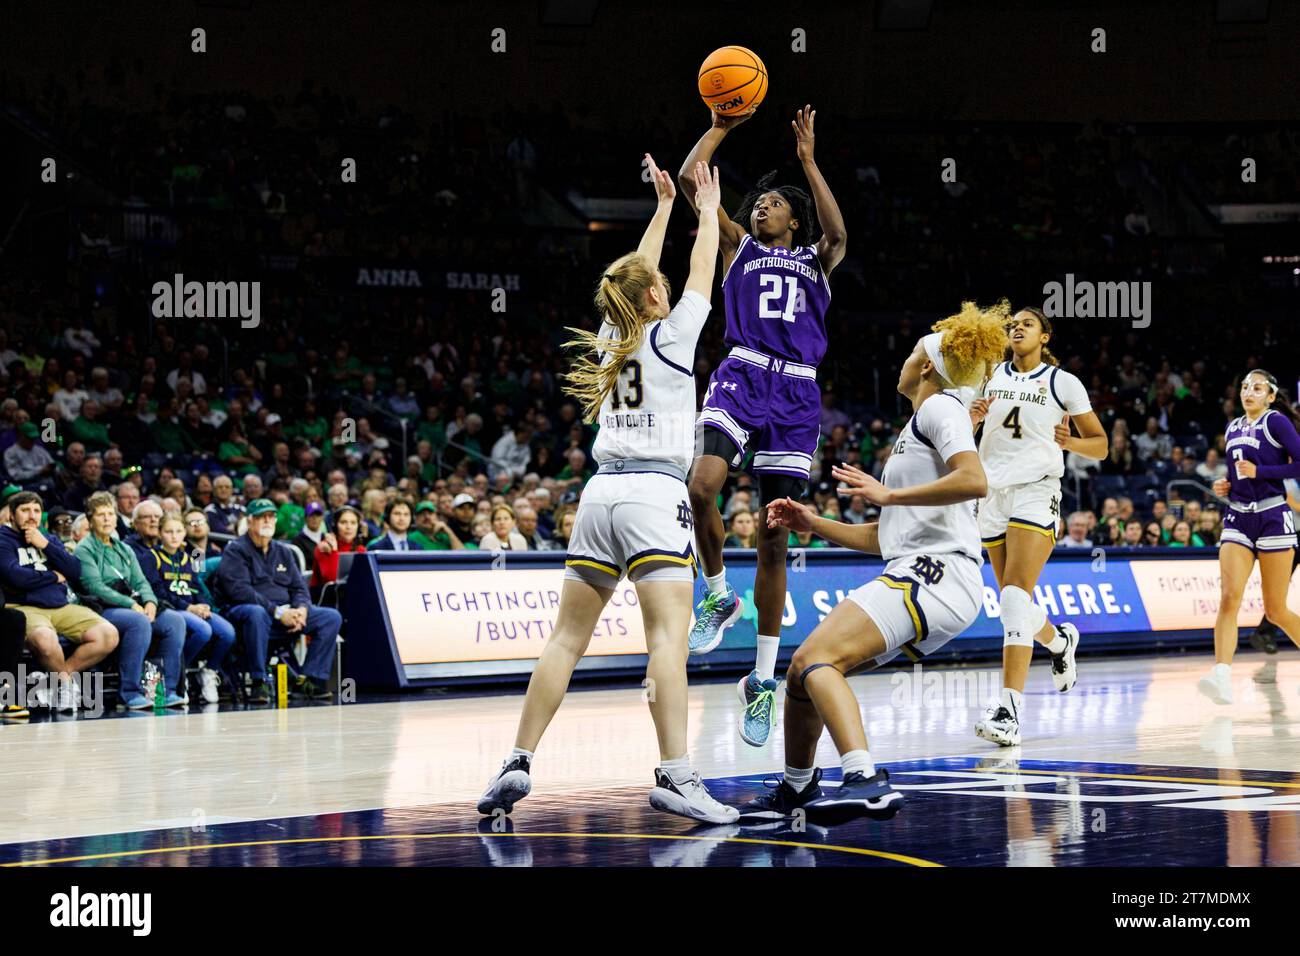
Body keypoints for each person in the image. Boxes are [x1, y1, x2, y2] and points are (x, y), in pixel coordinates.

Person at [479, 158, 737, 824]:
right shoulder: (675, 337)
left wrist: (659, 210)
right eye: (663, 285)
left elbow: (633, 278)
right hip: (654, 494)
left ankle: (517, 758)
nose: (671, 287)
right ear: (654, 296)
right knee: (667, 643)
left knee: (565, 640)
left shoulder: (609, 340)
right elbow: (701, 269)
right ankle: (677, 775)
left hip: (598, 496)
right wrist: (705, 211)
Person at [738, 304, 1006, 825]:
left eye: (911, 355)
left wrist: (887, 494)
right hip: (927, 571)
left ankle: (865, 777)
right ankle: (797, 789)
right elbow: (888, 537)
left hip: (935, 574)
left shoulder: (940, 408)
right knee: (801, 674)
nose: (904, 362)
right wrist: (814, 525)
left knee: (817, 660)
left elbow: (975, 480)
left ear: (926, 365)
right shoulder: (924, 422)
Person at [677, 105, 847, 749]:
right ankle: (717, 594)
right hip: (743, 373)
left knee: (774, 536)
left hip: (797, 389)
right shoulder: (737, 248)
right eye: (759, 202)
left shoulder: (814, 259)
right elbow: (697, 177)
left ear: (793, 219)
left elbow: (838, 233)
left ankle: (763, 681)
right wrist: (720, 123)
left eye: (775, 204)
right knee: (702, 486)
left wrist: (807, 161)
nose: (761, 208)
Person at [967, 307, 1107, 748]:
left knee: (1012, 596)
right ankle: (1060, 640)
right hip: (992, 492)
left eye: (1027, 324)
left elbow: (1101, 445)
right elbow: (969, 430)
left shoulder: (1062, 382)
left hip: (1036, 489)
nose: (1017, 329)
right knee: (1016, 604)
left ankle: (1010, 709)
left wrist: (1072, 443)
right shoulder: (989, 375)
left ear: (1045, 336)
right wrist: (970, 418)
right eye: (1013, 325)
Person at [1198, 370, 1300, 704]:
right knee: (1229, 597)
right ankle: (1222, 675)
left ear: (1270, 396)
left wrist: (1263, 473)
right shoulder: (1232, 427)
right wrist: (1224, 485)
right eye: (1244, 387)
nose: (1248, 392)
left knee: (1275, 611)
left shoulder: (1276, 422)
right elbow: (1237, 474)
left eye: (1256, 388)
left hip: (1273, 516)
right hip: (1239, 516)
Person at [0, 491, 118, 712]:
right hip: (23, 607)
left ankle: (59, 683)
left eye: (36, 510)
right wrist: (53, 576)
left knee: (108, 635)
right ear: (11, 515)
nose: (32, 515)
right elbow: (15, 576)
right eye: (25, 510)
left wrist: (45, 545)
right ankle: (64, 687)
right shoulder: (3, 539)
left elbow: (74, 571)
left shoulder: (47, 539)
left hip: (61, 607)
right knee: (45, 640)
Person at [214, 498, 340, 702]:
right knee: (256, 613)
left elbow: (299, 587)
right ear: (250, 521)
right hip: (245, 615)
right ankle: (258, 681)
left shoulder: (283, 551)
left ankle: (308, 680)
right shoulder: (235, 550)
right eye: (262, 517)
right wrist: (279, 613)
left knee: (330, 617)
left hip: (286, 614)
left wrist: (302, 610)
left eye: (271, 517)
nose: (267, 521)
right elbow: (240, 591)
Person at [74, 491, 187, 709]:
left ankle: (168, 690)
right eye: (100, 515)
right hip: (101, 608)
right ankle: (129, 692)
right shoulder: (84, 549)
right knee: (139, 622)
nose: (107, 519)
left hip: (133, 604)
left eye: (110, 514)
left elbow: (141, 581)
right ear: (90, 520)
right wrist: (133, 605)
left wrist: (150, 603)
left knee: (174, 620)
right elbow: (95, 587)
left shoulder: (124, 548)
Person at [146, 514, 235, 703]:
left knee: (228, 633)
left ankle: (209, 671)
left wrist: (203, 605)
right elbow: (158, 592)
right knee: (203, 630)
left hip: (193, 608)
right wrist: (189, 607)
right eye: (169, 532)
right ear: (160, 534)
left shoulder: (192, 556)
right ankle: (180, 673)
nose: (174, 536)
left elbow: (198, 586)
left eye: (178, 531)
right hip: (173, 609)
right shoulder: (151, 556)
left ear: (184, 533)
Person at [311, 504, 367, 591]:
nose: (348, 527)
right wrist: (334, 551)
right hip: (326, 599)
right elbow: (332, 581)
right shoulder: (323, 547)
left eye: (353, 523)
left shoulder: (361, 550)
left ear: (358, 527)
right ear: (335, 526)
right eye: (343, 522)